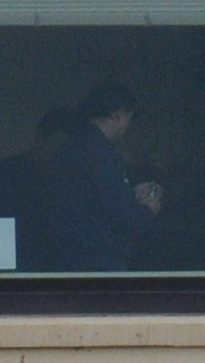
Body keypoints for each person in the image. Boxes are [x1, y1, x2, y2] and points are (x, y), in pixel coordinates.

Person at [20, 80, 164, 271]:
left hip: (63, 260)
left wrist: (130, 194)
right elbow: (119, 212)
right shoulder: (102, 154)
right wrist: (147, 210)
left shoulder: (67, 150)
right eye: (129, 119)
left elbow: (88, 201)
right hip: (98, 262)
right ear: (119, 114)